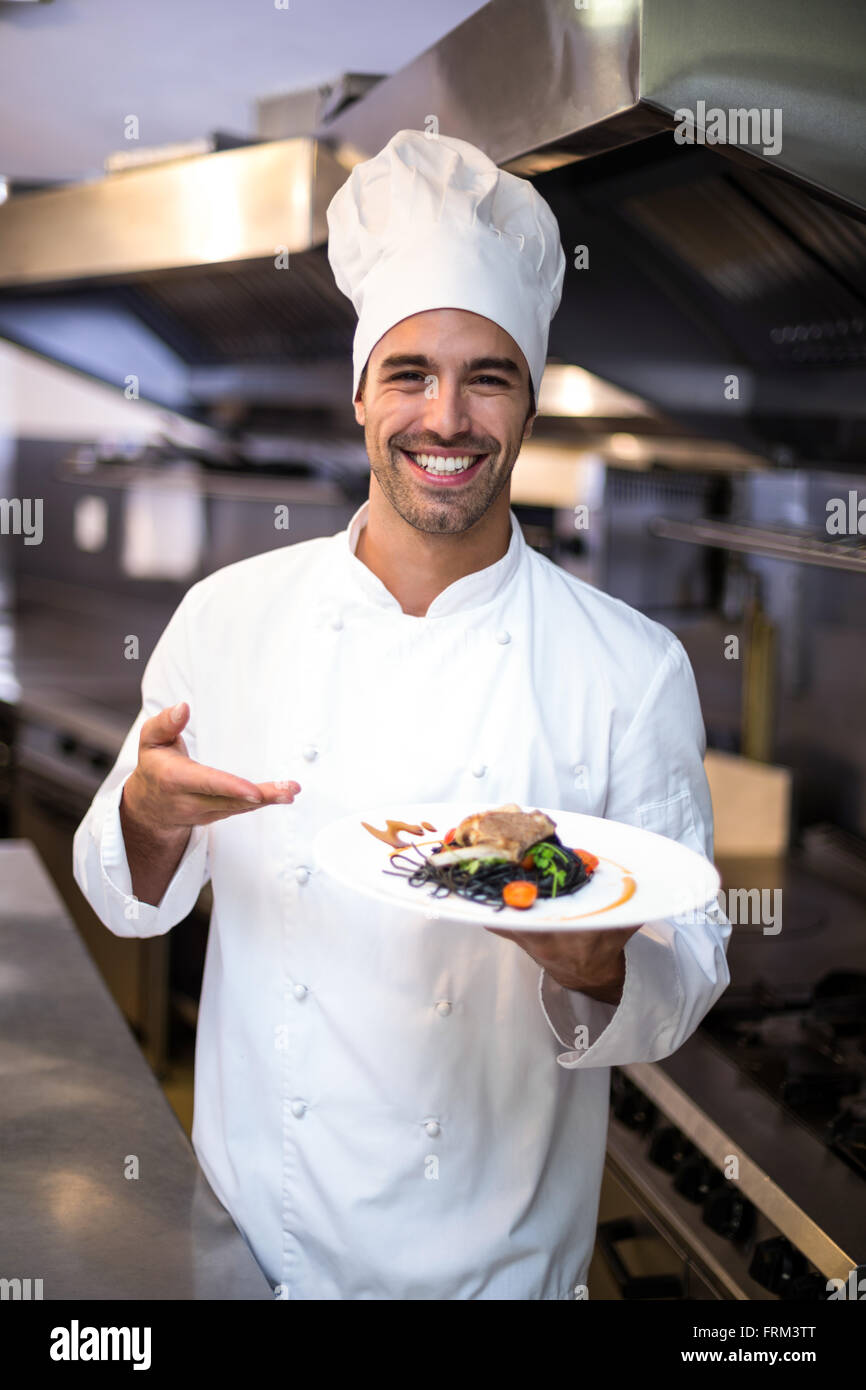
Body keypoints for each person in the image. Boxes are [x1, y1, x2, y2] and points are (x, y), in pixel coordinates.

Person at [73, 129, 730, 1300]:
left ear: (528, 402)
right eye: (411, 374)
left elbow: (686, 970)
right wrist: (145, 814)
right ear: (362, 392)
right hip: (247, 1251)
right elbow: (122, 891)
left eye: (487, 377)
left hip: (494, 1277)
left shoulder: (628, 668)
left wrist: (593, 968)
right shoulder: (231, 617)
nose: (446, 418)